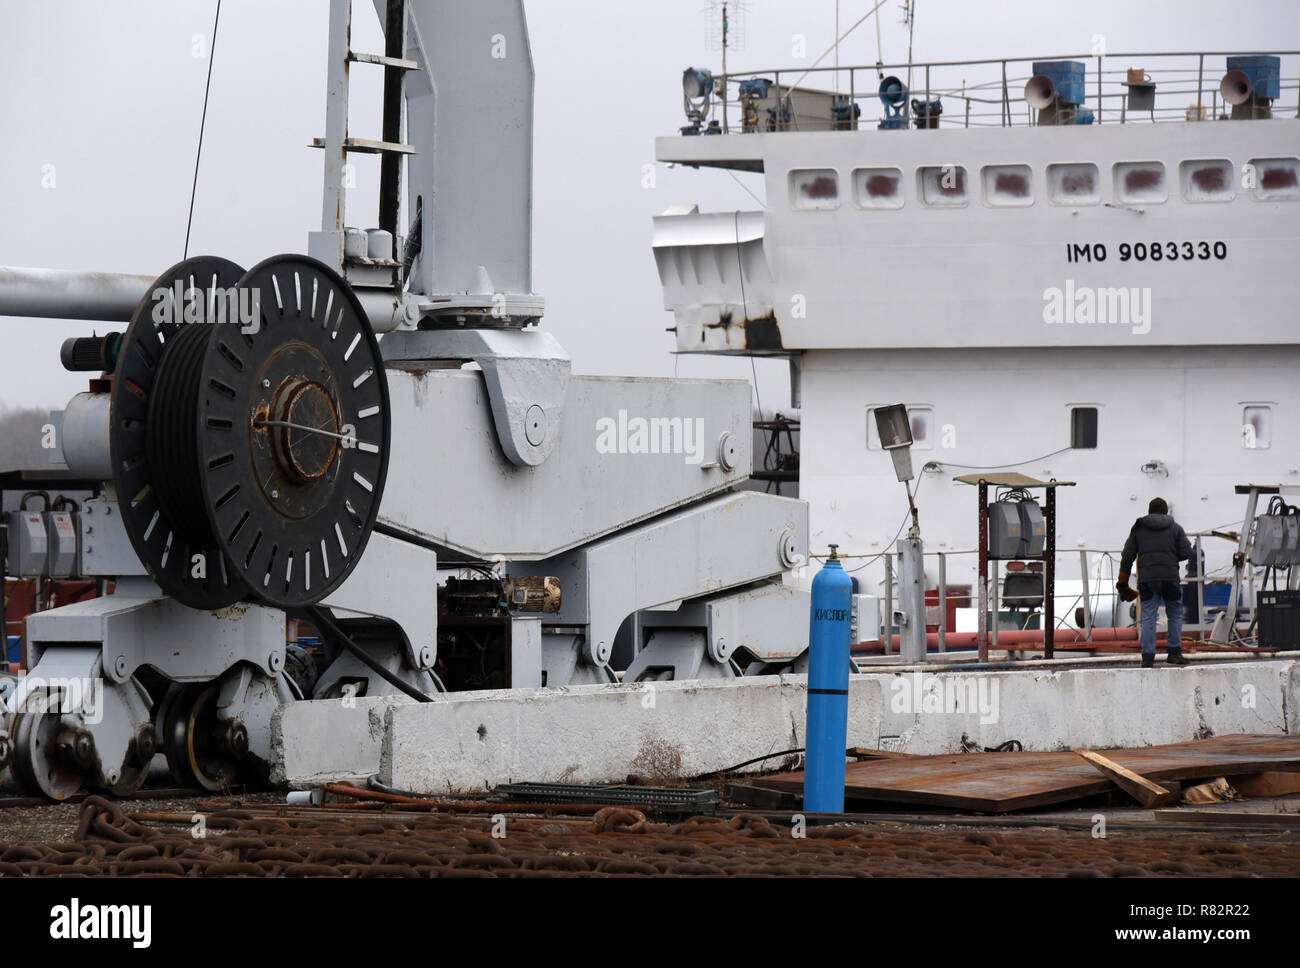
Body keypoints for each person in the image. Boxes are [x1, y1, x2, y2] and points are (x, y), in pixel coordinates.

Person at [1118, 498, 1193, 668]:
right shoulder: (1175, 528)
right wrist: (1172, 557)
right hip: (1170, 578)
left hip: (1148, 580)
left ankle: (1148, 658)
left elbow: (1127, 556)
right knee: (1174, 614)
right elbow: (1187, 552)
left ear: (1149, 511)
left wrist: (1122, 581)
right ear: (1166, 511)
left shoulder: (1138, 529)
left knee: (1149, 617)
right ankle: (1174, 653)